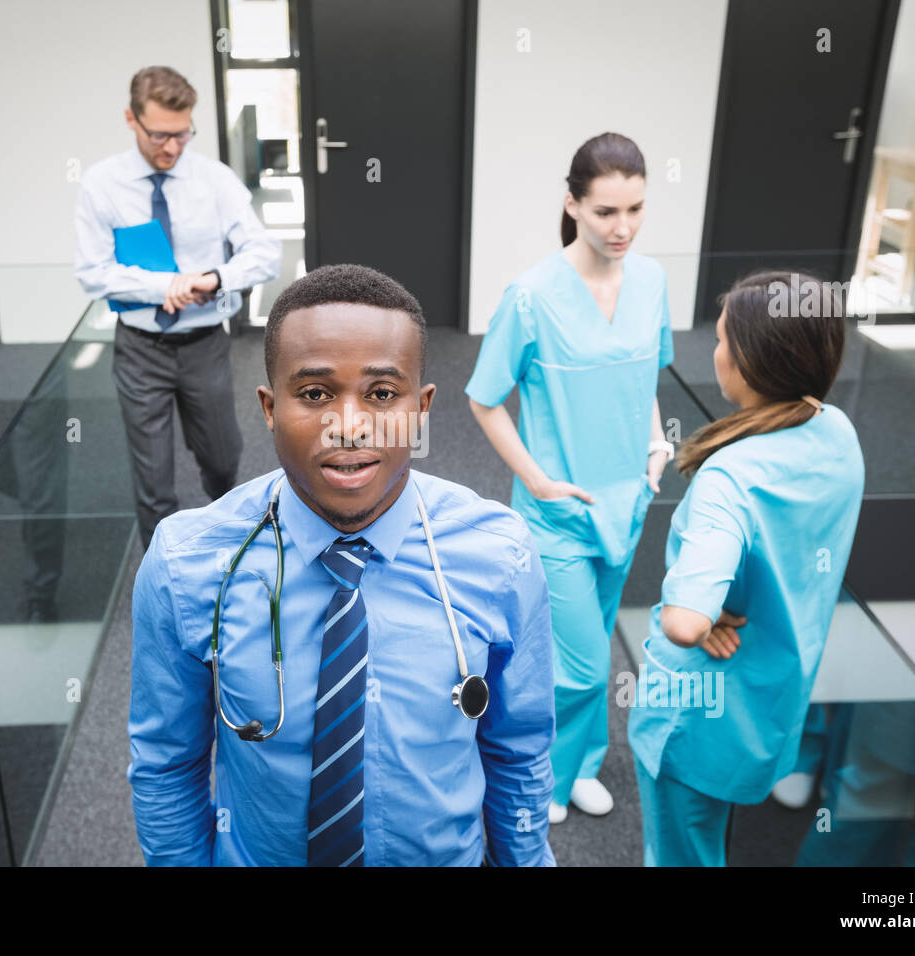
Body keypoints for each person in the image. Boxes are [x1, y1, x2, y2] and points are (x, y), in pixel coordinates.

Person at [127, 264, 557, 866]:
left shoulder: (499, 556)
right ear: (269, 408)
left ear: (421, 408)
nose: (349, 426)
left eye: (382, 394)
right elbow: (167, 765)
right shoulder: (187, 564)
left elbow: (519, 752)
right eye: (315, 394)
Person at [465, 132, 673, 823]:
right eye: (606, 212)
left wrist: (653, 444)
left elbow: (644, 374)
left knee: (600, 638)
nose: (623, 228)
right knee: (583, 668)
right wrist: (540, 482)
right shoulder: (530, 296)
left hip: (628, 501)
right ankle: (542, 780)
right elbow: (483, 399)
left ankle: (581, 765)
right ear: (572, 206)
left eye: (635, 210)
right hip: (556, 511)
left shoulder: (652, 282)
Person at [626, 269, 865, 866]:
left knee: (680, 855)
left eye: (724, 339)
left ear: (754, 362)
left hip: (695, 714)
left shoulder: (729, 478)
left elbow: (683, 622)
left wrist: (704, 622)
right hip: (768, 701)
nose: (715, 352)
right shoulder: (838, 433)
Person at [74, 65, 281, 551]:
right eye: (160, 135)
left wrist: (214, 278)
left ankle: (234, 555)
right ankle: (161, 582)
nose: (171, 147)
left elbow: (264, 253)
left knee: (222, 458)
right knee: (153, 479)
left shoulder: (213, 178)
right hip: (140, 346)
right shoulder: (102, 184)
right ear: (132, 119)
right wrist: (165, 285)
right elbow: (92, 272)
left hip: (205, 343)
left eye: (182, 134)